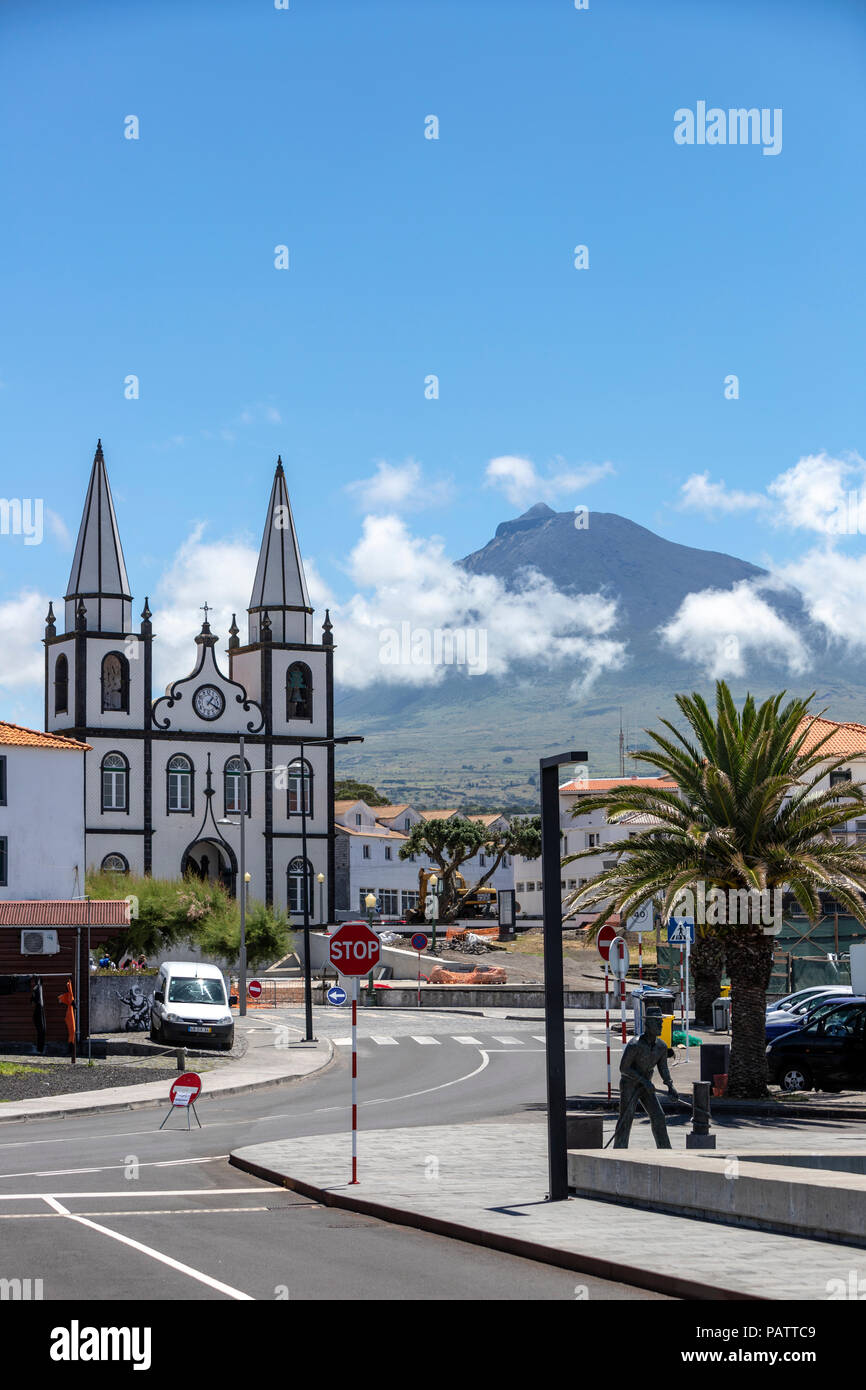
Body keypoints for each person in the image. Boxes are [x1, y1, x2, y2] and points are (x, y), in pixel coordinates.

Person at [613, 1008, 679, 1149]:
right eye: (658, 1023)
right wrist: (643, 1081)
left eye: (661, 1023)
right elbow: (623, 1068)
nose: (661, 1026)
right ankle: (619, 1150)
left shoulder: (661, 1046)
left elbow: (663, 1069)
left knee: (658, 1116)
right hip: (630, 1084)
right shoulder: (634, 1044)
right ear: (648, 1024)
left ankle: (665, 1150)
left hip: (645, 1086)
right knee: (626, 1118)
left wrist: (670, 1086)